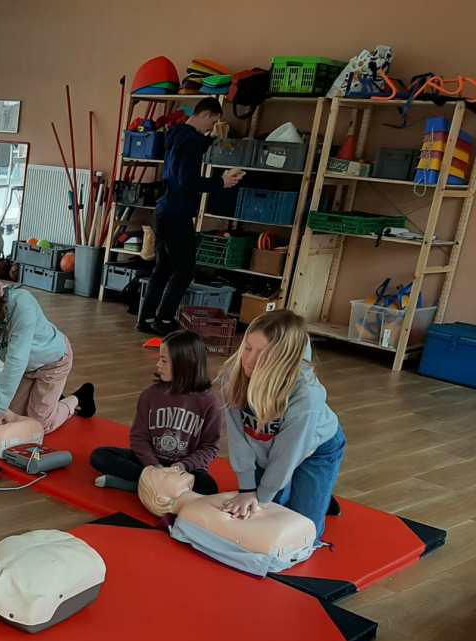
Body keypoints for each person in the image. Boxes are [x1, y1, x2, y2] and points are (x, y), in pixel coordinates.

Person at [219, 310, 346, 539]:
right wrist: (248, 489)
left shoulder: (306, 396)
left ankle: (315, 493)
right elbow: (238, 438)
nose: (249, 360)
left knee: (304, 534)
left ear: (283, 359)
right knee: (261, 511)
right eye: (248, 348)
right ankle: (308, 492)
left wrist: (262, 497)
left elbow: (288, 454)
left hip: (316, 450)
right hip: (267, 447)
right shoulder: (235, 376)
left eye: (263, 354)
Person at [139, 98, 245, 335]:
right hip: (178, 213)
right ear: (206, 114)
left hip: (164, 210)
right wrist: (222, 182)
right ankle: (164, 320)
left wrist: (209, 141)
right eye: (214, 121)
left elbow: (183, 165)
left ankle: (146, 318)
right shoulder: (191, 142)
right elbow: (188, 181)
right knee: (185, 270)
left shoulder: (177, 134)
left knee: (163, 268)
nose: (213, 126)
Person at [0, 274, 95, 433]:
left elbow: (16, 360)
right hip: (27, 369)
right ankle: (50, 398)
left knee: (38, 426)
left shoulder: (22, 304)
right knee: (11, 417)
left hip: (53, 364)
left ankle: (79, 398)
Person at [90, 330, 221, 494]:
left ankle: (139, 485)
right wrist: (154, 466)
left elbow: (210, 447)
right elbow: (139, 436)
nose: (158, 365)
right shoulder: (150, 395)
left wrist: (181, 466)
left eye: (164, 360)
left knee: (209, 488)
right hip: (150, 464)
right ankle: (156, 486)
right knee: (100, 456)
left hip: (183, 471)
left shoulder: (209, 403)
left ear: (184, 364)